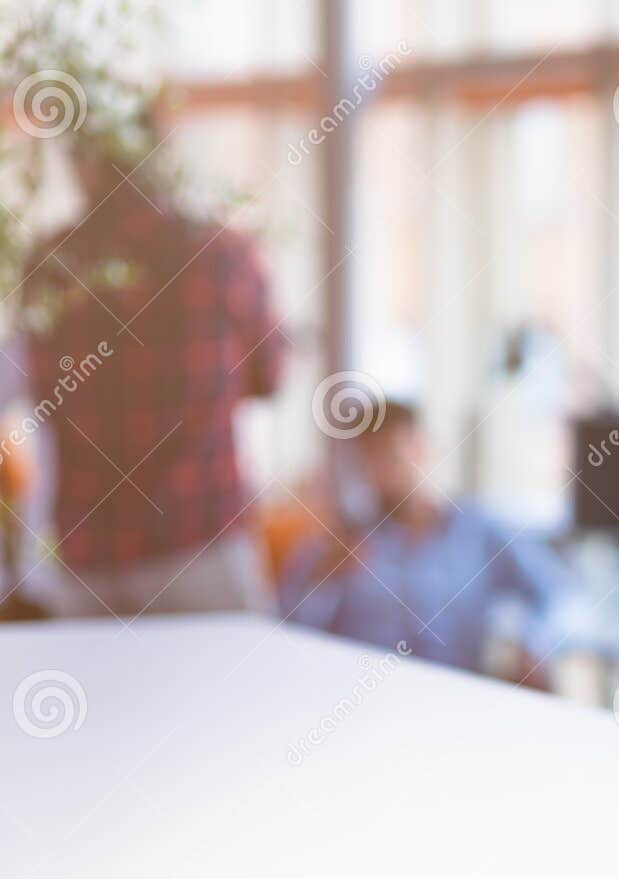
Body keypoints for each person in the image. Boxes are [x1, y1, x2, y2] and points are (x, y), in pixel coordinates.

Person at [21, 113, 284, 617]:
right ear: (162, 158)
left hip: (90, 558)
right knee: (237, 694)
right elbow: (269, 378)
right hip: (200, 544)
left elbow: (41, 394)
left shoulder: (49, 263)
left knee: (97, 698)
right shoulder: (220, 255)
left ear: (82, 163)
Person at [279, 399, 569, 685]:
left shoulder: (478, 531)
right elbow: (285, 631)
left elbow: (558, 593)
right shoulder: (337, 542)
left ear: (420, 449)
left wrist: (532, 642)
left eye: (388, 456)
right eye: (367, 461)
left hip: (456, 701)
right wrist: (322, 582)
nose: (378, 473)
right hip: (360, 701)